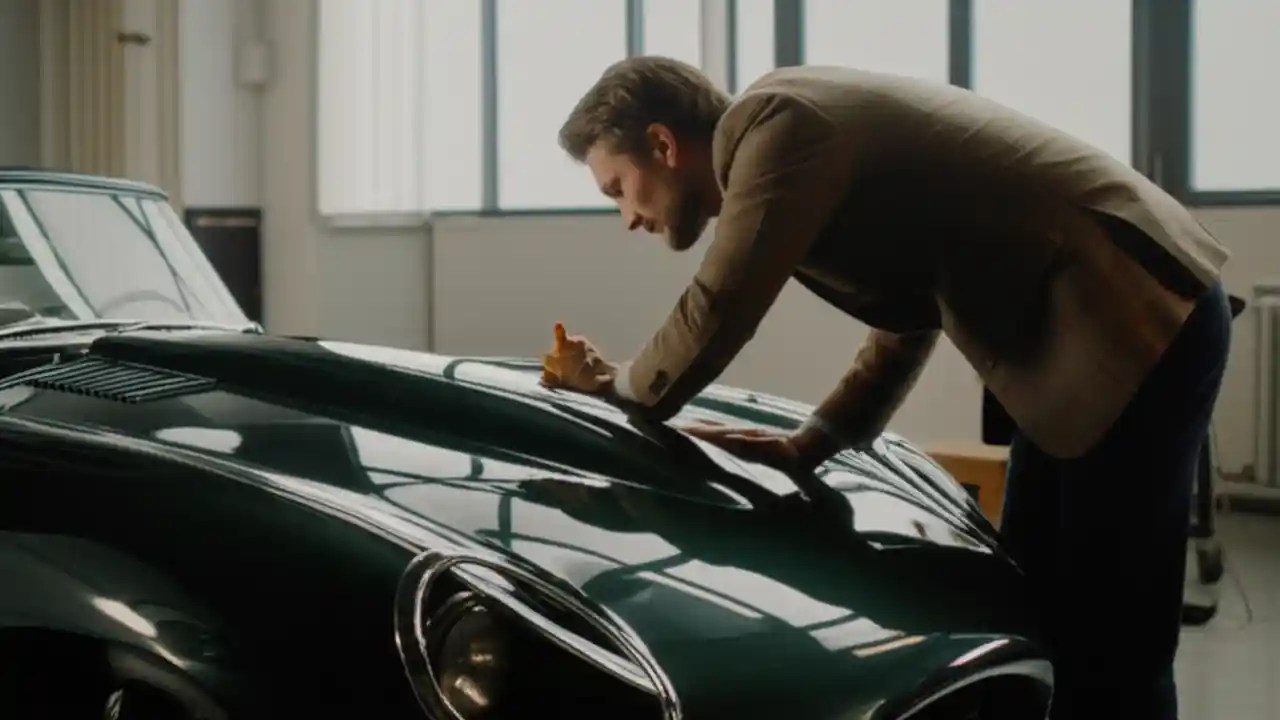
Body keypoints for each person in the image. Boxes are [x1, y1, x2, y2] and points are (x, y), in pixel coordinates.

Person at [547, 56, 1231, 719]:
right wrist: (813, 443)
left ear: (663, 145)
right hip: (1084, 340)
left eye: (618, 189)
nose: (627, 217)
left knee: (1113, 644)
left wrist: (613, 391)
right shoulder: (785, 135)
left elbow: (719, 306)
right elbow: (908, 315)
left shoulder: (780, 126)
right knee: (1035, 608)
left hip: (1134, 311)